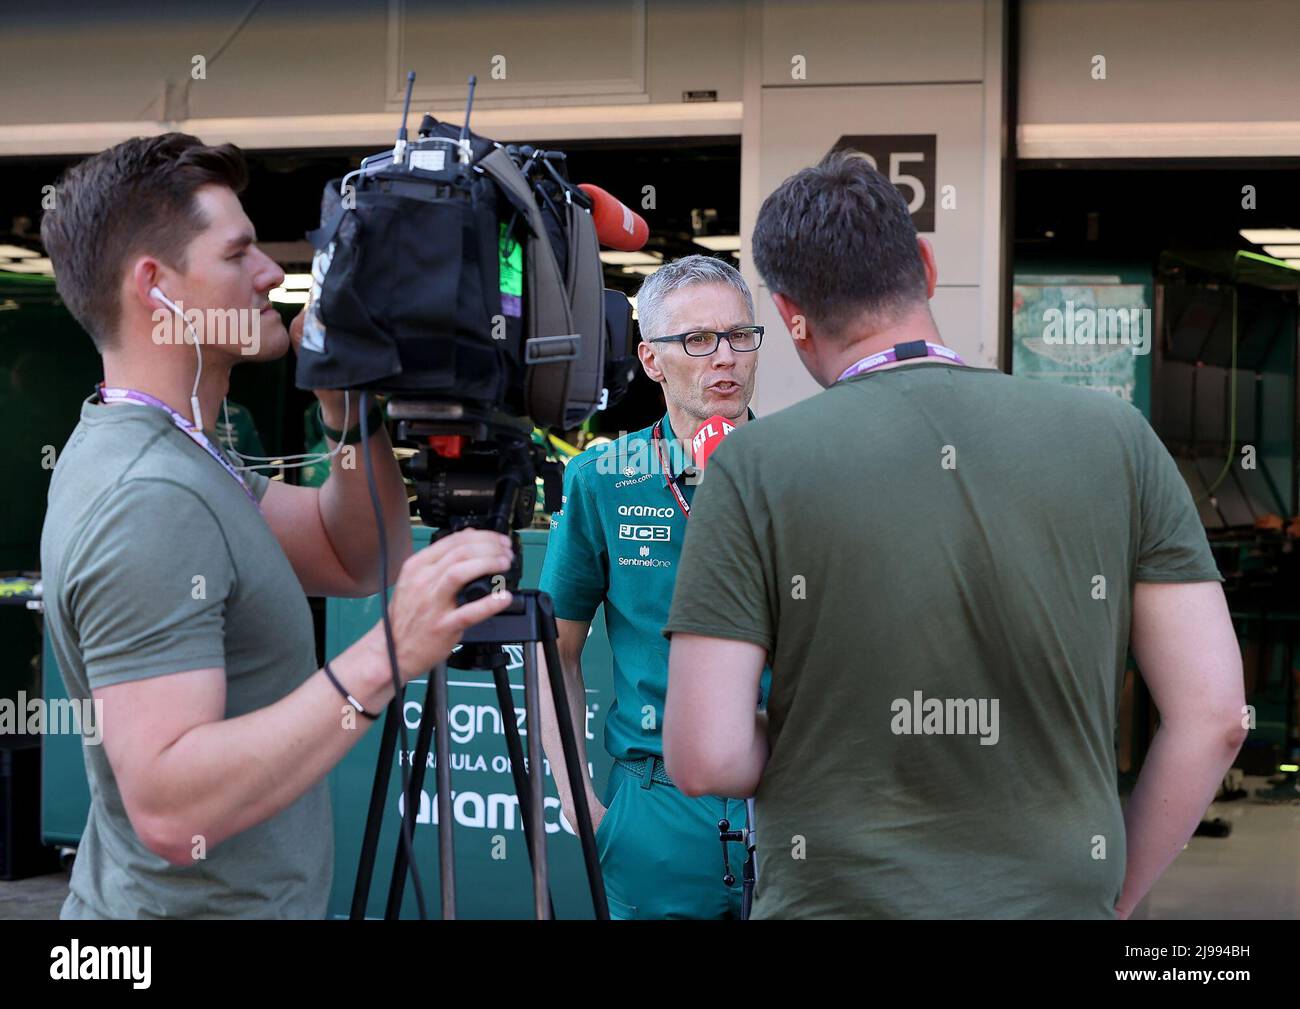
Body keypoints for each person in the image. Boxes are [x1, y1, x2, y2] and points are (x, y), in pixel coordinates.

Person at [662, 152, 1246, 919]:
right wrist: (1110, 895)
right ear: (928, 268)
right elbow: (1216, 718)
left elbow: (707, 756)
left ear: (787, 311)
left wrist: (822, 725)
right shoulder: (1116, 439)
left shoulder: (753, 466)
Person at [39, 132, 514, 918]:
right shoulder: (149, 498)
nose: (272, 274)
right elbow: (168, 807)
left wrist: (342, 404)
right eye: (239, 254)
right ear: (156, 288)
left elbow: (354, 553)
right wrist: (389, 653)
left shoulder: (178, 449)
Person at [537, 255, 769, 919]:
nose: (724, 358)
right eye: (697, 340)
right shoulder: (603, 478)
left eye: (739, 334)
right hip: (655, 809)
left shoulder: (806, 466)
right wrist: (577, 797)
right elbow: (556, 648)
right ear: (651, 358)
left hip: (793, 799)